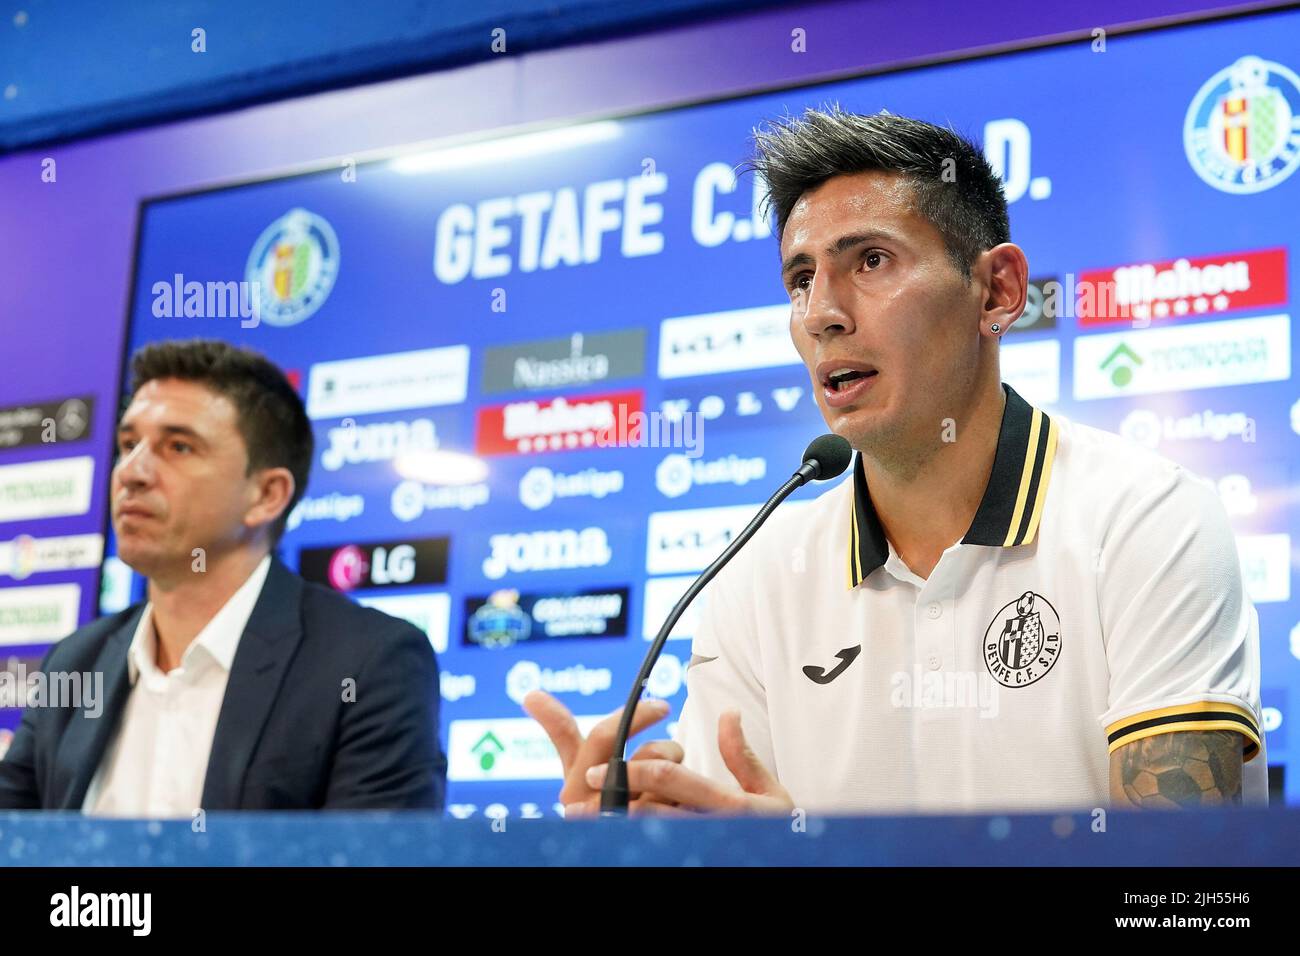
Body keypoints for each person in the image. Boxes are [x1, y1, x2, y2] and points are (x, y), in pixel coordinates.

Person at [527, 107, 1265, 814]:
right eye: (800, 279)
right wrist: (629, 849)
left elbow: (1184, 901)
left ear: (997, 291)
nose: (822, 313)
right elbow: (728, 840)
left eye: (871, 260)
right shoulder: (756, 574)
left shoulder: (1147, 521)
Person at [0, 339, 446, 813]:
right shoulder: (75, 662)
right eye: (129, 445)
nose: (132, 472)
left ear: (266, 496)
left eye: (178, 446)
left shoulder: (368, 664)